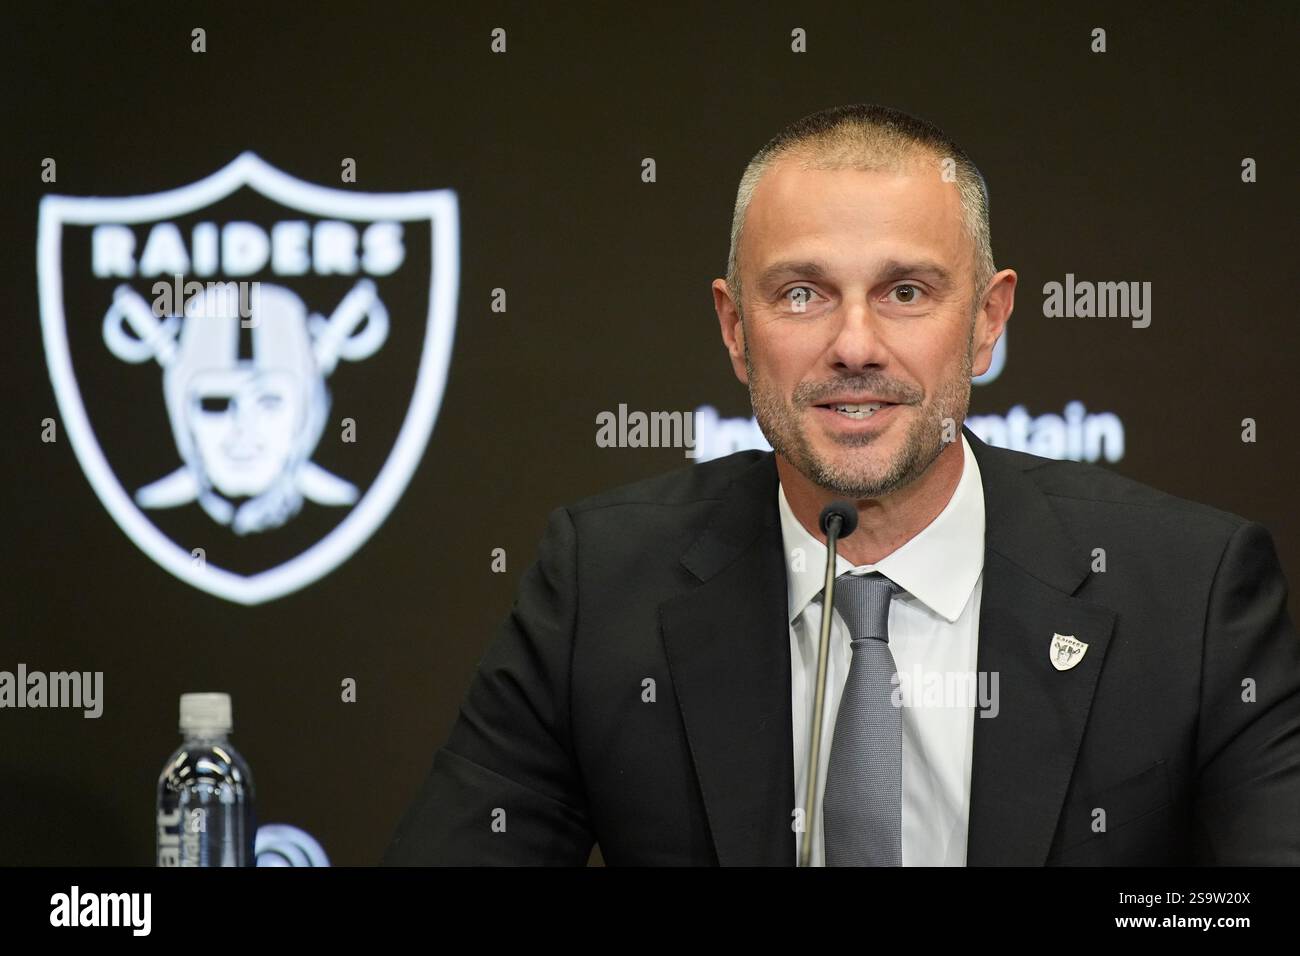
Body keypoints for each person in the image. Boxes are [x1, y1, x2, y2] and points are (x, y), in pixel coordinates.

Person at [384, 104, 1300, 865]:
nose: (855, 345)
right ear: (735, 327)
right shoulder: (601, 582)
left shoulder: (1192, 593)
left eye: (905, 292)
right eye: (801, 294)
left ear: (988, 322)